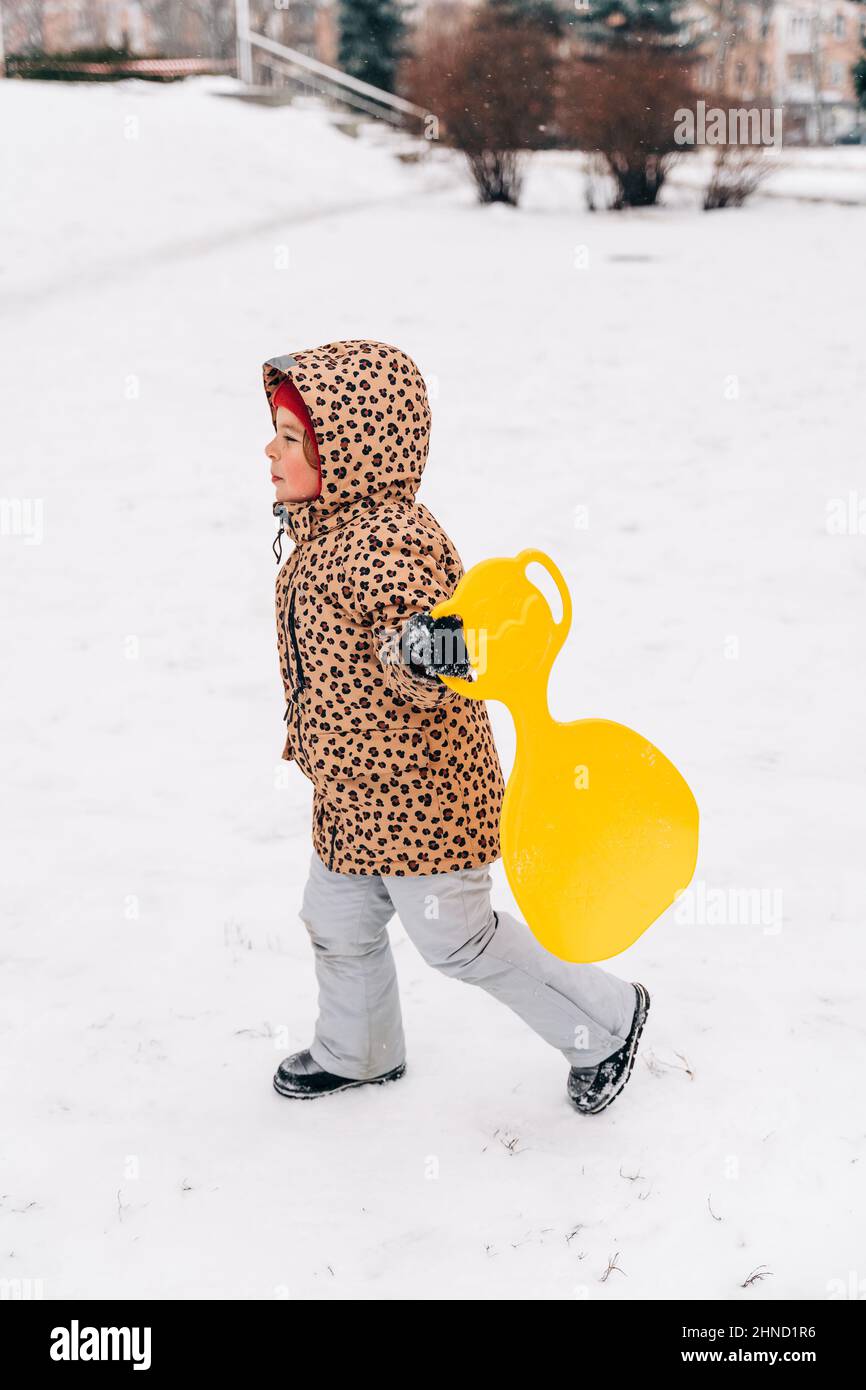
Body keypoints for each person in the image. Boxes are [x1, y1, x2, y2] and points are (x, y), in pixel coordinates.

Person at [262, 340, 649, 1115]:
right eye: (275, 431)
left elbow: (439, 644)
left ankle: (606, 1022)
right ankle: (359, 1049)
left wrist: (427, 652)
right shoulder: (322, 532)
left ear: (349, 451)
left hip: (423, 797)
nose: (271, 450)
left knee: (457, 940)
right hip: (350, 794)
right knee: (337, 920)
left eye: (293, 438)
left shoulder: (390, 541)